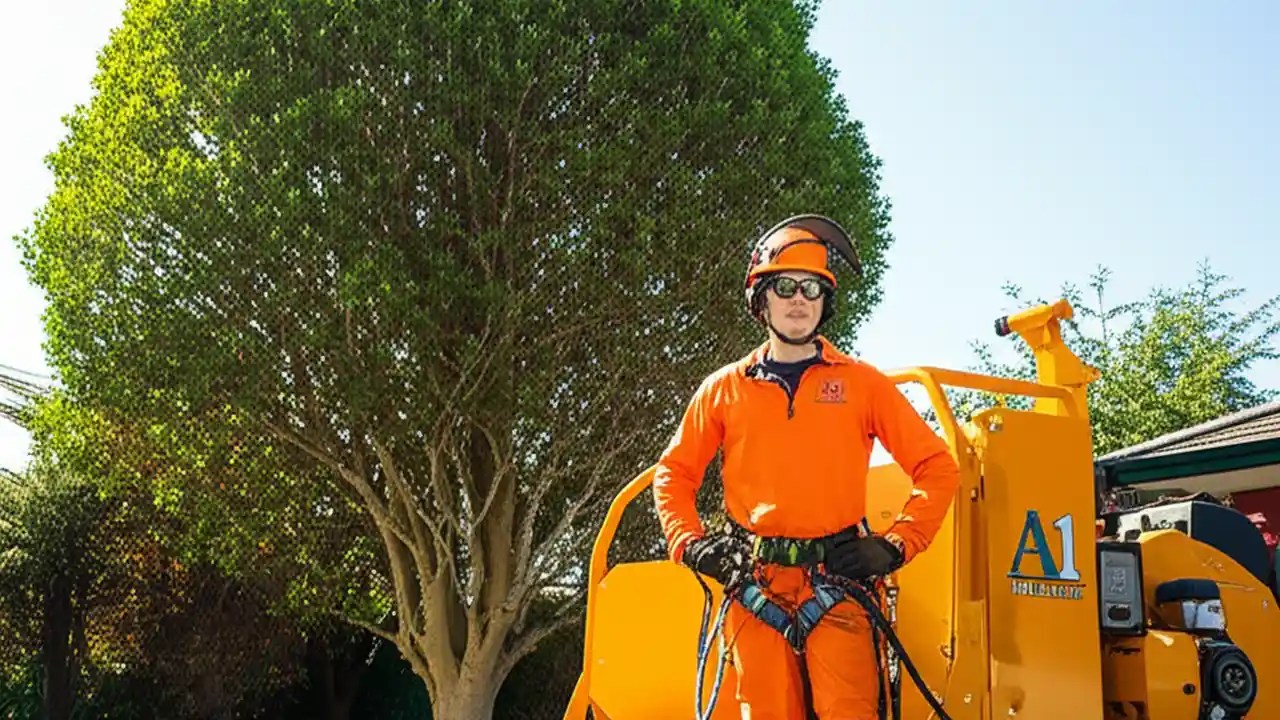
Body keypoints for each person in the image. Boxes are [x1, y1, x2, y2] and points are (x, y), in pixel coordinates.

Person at [652, 215, 962, 720]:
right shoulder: (724, 390)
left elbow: (936, 467)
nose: (799, 299)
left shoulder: (864, 385)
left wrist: (895, 544)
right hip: (753, 588)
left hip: (838, 586)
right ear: (761, 298)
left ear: (825, 301)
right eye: (785, 286)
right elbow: (673, 474)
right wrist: (690, 543)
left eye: (813, 288)